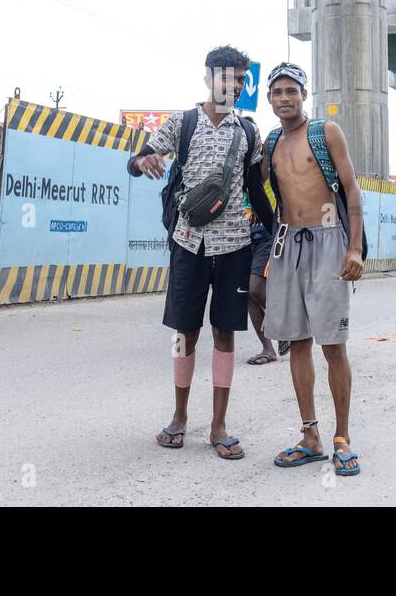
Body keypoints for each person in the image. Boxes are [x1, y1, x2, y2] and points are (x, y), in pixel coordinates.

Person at [128, 45, 275, 461]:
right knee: (184, 333)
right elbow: (137, 159)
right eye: (226, 77)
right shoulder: (182, 123)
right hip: (188, 244)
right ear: (209, 78)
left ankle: (219, 425)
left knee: (225, 334)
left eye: (240, 80)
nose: (233, 85)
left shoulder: (248, 132)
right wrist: (145, 160)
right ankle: (178, 419)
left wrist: (277, 227)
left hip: (235, 246)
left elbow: (255, 190)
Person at [259, 62, 364, 477]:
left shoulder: (326, 133)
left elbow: (352, 188)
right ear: (269, 99)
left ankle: (342, 438)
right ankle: (310, 436)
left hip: (328, 241)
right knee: (297, 343)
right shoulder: (269, 142)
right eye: (278, 92)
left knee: (333, 345)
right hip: (288, 244)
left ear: (305, 93)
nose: (285, 98)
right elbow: (257, 188)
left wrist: (354, 248)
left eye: (292, 91)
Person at [245, 192, 277, 366]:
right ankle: (267, 348)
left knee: (255, 287)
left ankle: (284, 327)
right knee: (249, 295)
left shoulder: (268, 165)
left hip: (266, 234)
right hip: (241, 237)